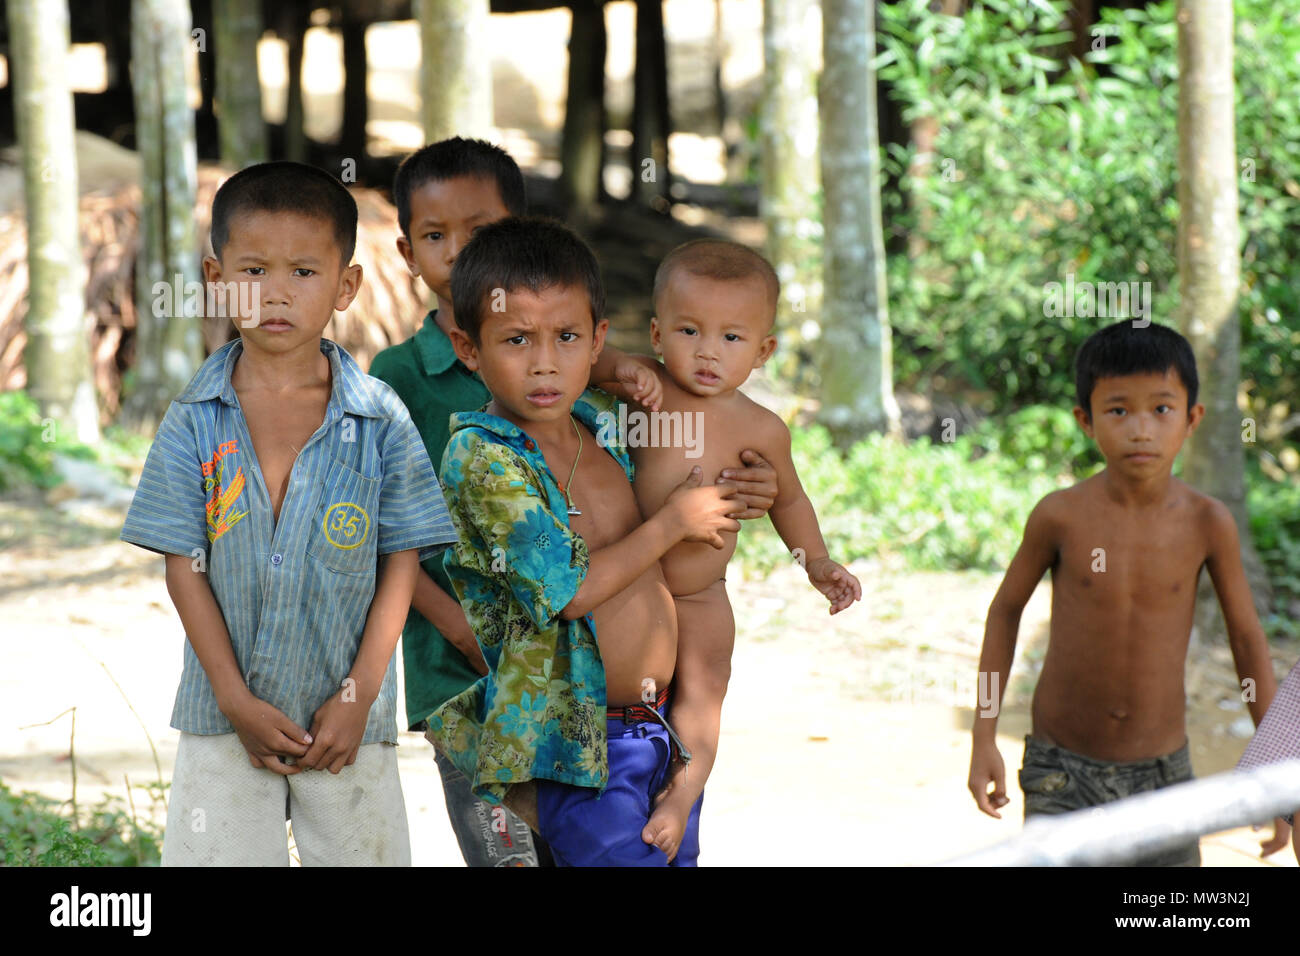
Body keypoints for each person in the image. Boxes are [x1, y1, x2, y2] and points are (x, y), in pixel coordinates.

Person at [369, 139, 781, 866]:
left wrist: (753, 483)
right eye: (517, 341)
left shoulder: (600, 424)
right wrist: (673, 524)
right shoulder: (485, 454)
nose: (544, 361)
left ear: (596, 341)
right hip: (576, 743)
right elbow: (568, 593)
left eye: (565, 338)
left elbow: (699, 435)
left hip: (657, 726)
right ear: (471, 351)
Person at [121, 161, 457, 865]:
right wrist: (234, 700)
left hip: (348, 725)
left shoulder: (379, 418)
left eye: (304, 272)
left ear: (346, 287)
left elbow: (400, 560)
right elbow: (184, 569)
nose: (276, 293)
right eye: (253, 271)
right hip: (221, 719)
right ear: (216, 277)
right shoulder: (192, 420)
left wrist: (359, 693)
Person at [968, 318, 1288, 865]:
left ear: (1192, 420)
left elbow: (1247, 639)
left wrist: (1280, 769)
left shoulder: (1208, 523)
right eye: (1118, 410)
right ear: (1085, 421)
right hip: (1060, 771)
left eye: (1161, 409)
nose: (1141, 428)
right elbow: (1005, 613)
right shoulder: (1060, 516)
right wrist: (983, 737)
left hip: (1164, 773)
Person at [587, 238, 862, 860]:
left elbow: (790, 502)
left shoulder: (763, 427)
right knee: (628, 707)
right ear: (657, 334)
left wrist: (814, 562)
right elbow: (591, 361)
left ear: (763, 351)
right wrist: (617, 370)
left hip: (703, 594)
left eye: (732, 339)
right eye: (689, 330)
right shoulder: (645, 390)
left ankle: (682, 795)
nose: (708, 351)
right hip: (633, 585)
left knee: (704, 694)